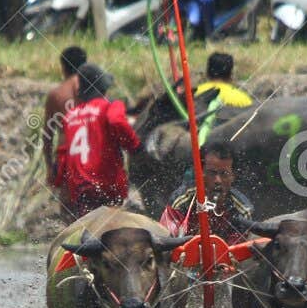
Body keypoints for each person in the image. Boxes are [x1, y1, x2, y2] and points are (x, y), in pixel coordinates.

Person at [49, 63, 141, 219]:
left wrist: (57, 182)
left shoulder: (70, 115)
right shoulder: (111, 106)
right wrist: (136, 147)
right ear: (103, 88)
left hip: (80, 191)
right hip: (108, 187)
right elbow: (117, 121)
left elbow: (62, 156)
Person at [158, 140, 253, 241]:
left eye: (224, 174)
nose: (218, 181)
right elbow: (167, 243)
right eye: (212, 173)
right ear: (199, 173)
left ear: (233, 176)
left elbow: (237, 253)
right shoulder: (181, 201)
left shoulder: (242, 211)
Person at [42, 44, 87, 176]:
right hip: (94, 152)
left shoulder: (55, 94)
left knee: (67, 195)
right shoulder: (94, 89)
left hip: (68, 156)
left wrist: (49, 166)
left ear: (63, 67)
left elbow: (47, 135)